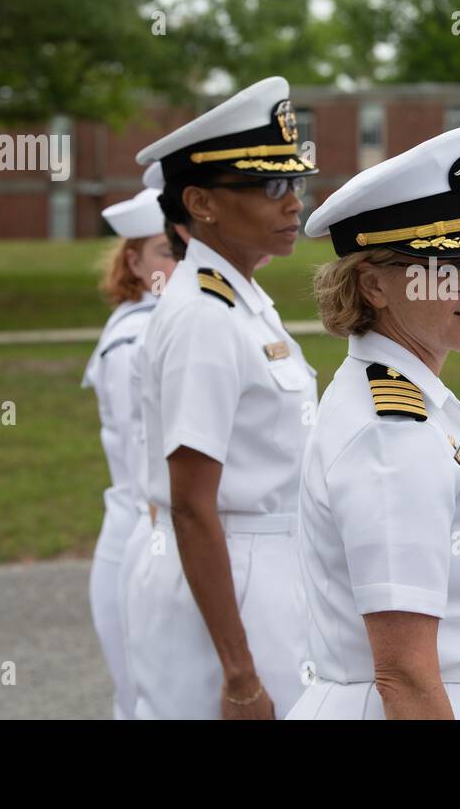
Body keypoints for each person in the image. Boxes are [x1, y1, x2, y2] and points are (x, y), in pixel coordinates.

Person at [289, 126, 460, 719]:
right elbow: (405, 675)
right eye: (450, 264)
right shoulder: (391, 434)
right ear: (373, 283)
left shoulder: (408, 404)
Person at [127, 76, 319, 719]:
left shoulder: (240, 301)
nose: (293, 203)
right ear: (201, 203)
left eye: (293, 183)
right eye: (269, 187)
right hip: (229, 576)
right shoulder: (205, 317)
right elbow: (190, 504)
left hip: (263, 567)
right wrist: (239, 675)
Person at [83, 184, 177, 719]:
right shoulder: (132, 343)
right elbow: (148, 462)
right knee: (145, 703)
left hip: (163, 531)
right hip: (142, 535)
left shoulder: (169, 322)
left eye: (181, 247)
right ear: (134, 261)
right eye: (165, 251)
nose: (178, 262)